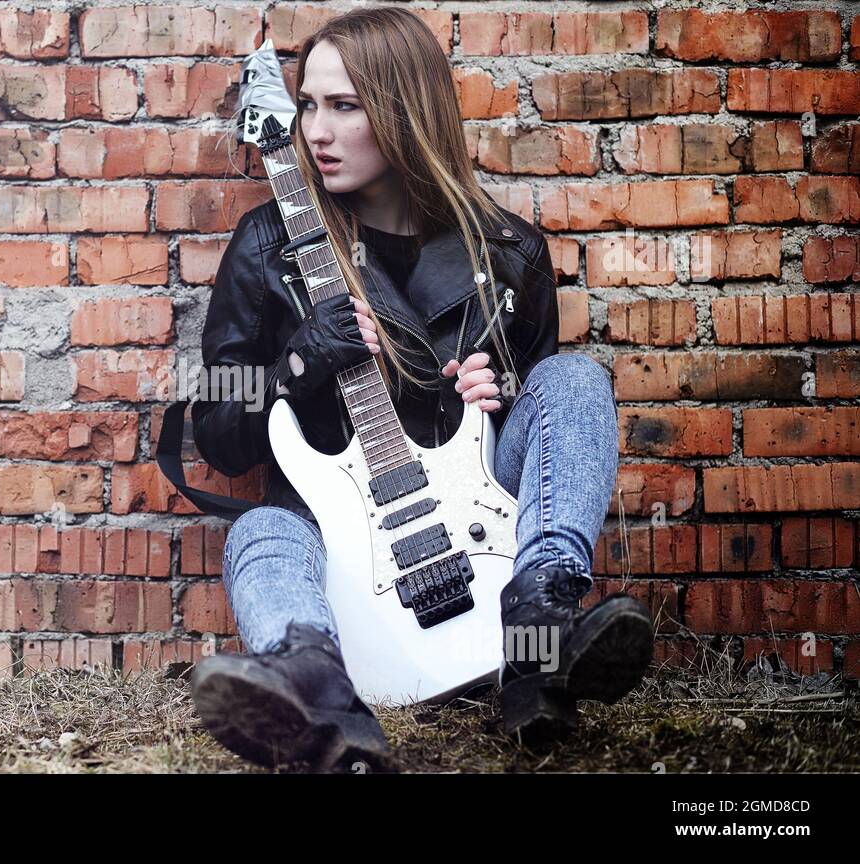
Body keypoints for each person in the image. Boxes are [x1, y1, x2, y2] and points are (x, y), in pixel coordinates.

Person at [185, 8, 653, 772]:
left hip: (473, 539)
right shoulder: (267, 246)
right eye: (306, 105)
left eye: (344, 106)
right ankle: (318, 694)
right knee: (259, 532)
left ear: (404, 110)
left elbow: (546, 442)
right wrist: (298, 364)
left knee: (572, 379)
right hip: (345, 547)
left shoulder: (510, 254)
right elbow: (218, 432)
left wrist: (501, 389)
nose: (317, 132)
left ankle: (540, 627)